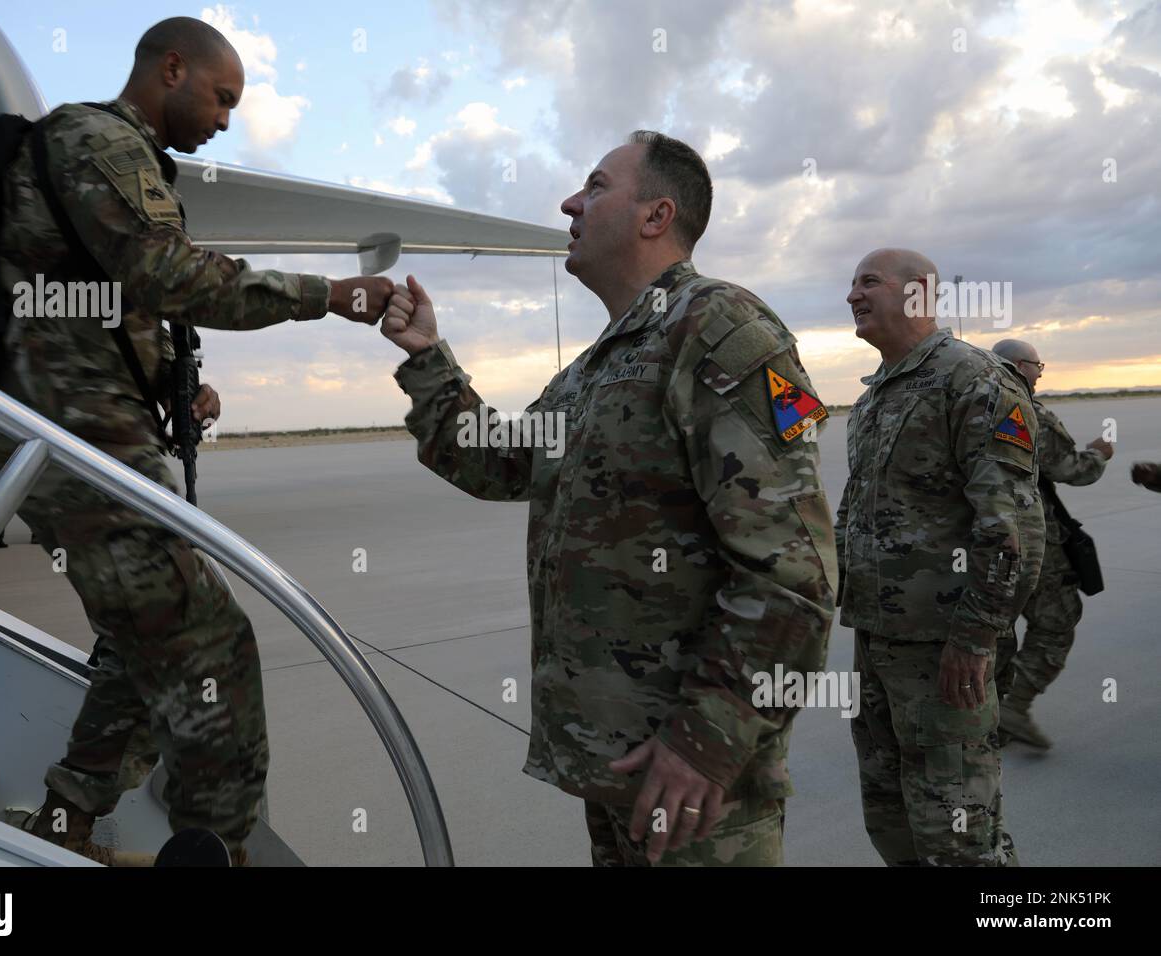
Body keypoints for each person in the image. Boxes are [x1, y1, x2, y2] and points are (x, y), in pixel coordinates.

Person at [0, 17, 392, 864]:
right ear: (172, 69)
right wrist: (326, 295)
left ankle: (67, 824)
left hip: (84, 434)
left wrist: (173, 378)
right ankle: (218, 849)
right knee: (209, 643)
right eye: (222, 96)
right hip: (74, 440)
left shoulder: (103, 150)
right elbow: (169, 274)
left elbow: (101, 301)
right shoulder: (97, 140)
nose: (228, 119)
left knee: (141, 648)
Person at [382, 131, 836, 866]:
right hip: (621, 764)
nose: (569, 202)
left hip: (691, 781)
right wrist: (428, 357)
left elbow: (795, 573)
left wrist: (707, 744)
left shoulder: (719, 329)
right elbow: (497, 461)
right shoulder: (600, 364)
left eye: (594, 186)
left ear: (656, 216)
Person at [836, 248, 1044, 866]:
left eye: (869, 281)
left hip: (947, 651)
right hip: (877, 640)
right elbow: (856, 509)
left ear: (920, 294)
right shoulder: (875, 398)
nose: (852, 295)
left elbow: (1011, 528)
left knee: (957, 837)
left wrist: (977, 637)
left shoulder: (974, 380)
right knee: (891, 820)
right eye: (851, 283)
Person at [991, 339, 1112, 748]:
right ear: (1019, 367)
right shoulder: (1025, 412)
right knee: (1057, 621)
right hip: (1028, 539)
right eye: (1037, 365)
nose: (1041, 373)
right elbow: (1072, 470)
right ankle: (1013, 707)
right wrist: (1098, 454)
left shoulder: (963, 409)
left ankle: (987, 719)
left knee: (994, 629)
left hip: (974, 542)